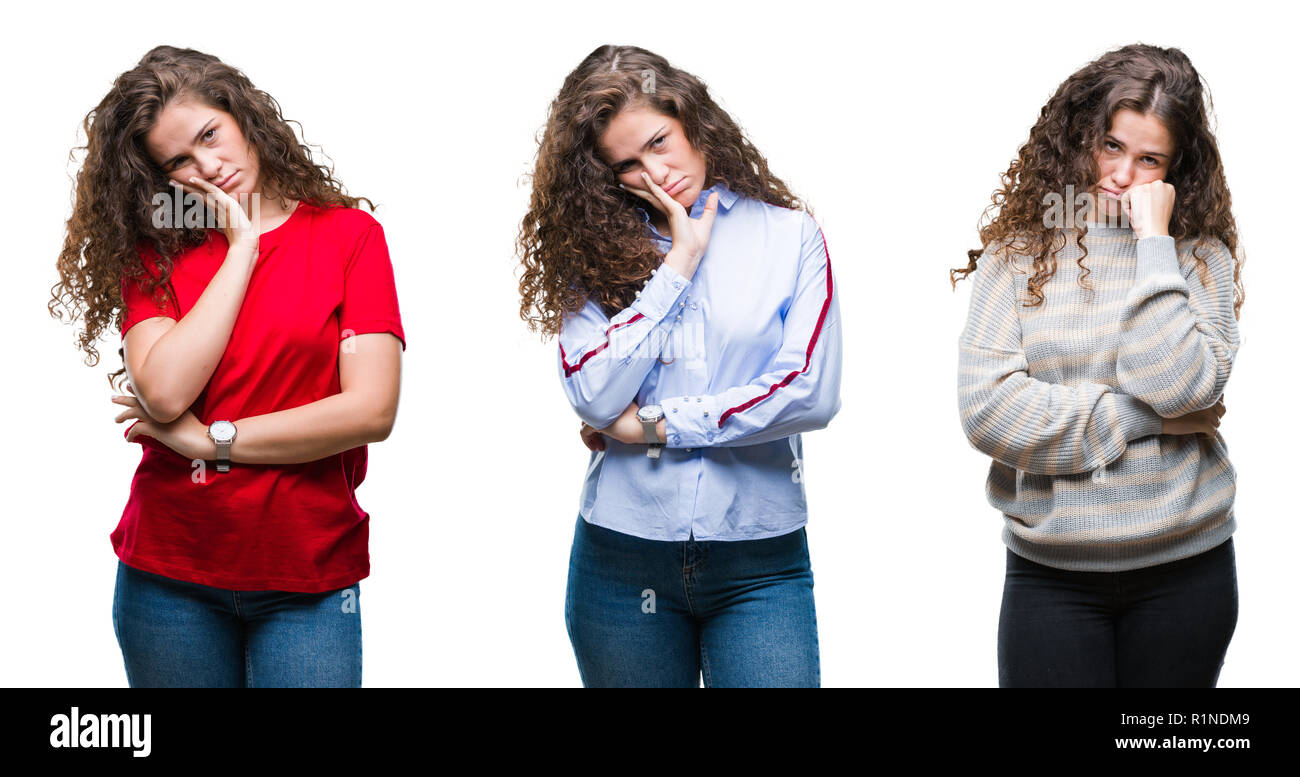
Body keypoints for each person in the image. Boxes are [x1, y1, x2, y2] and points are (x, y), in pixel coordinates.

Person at [49, 46, 405, 687]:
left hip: (308, 574)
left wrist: (213, 441)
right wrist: (243, 246)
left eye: (209, 135)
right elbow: (163, 392)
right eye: (178, 161)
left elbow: (370, 410)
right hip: (170, 576)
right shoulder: (155, 249)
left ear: (241, 115)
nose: (207, 167)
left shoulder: (350, 237)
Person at [517, 45, 842, 687]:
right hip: (621, 563)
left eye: (660, 143)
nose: (655, 173)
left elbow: (810, 391)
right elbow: (592, 393)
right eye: (628, 165)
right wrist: (677, 267)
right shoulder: (592, 250)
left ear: (692, 118)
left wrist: (658, 424)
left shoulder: (789, 235)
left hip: (760, 562)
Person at [953, 43, 1242, 687]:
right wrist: (1153, 421)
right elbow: (989, 412)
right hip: (1051, 576)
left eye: (1149, 160)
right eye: (1111, 146)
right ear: (1082, 135)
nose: (1120, 173)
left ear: (1175, 171)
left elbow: (1181, 383)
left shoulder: (1198, 257)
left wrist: (1155, 244)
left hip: (1187, 572)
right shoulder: (1019, 253)